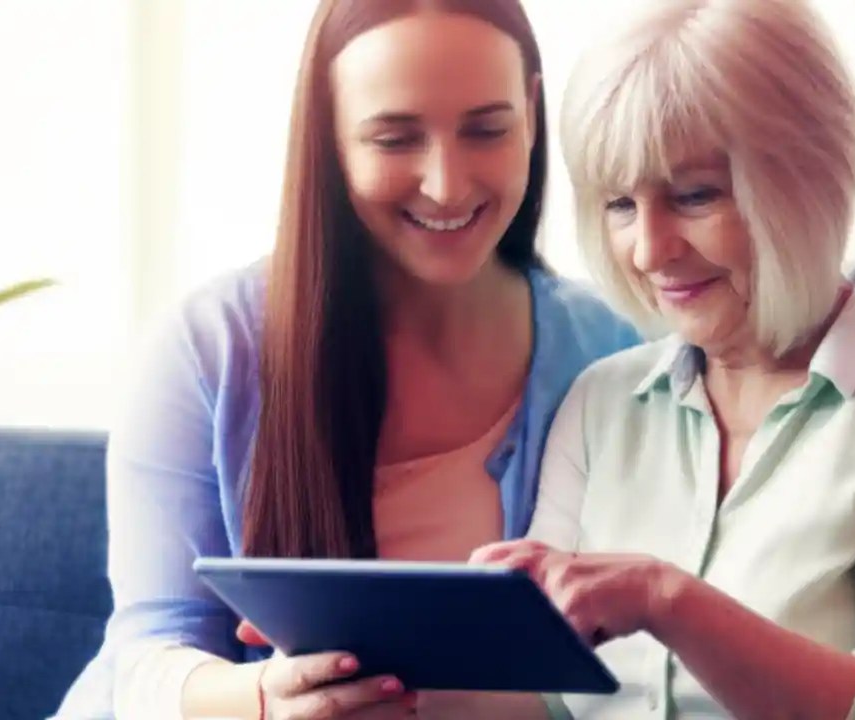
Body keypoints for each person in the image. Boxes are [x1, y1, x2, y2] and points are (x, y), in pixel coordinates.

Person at [54, 0, 639, 717]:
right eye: (395, 140)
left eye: (487, 130)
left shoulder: (616, 351)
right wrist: (265, 700)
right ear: (328, 138)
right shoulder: (208, 348)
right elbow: (142, 662)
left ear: (533, 114)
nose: (447, 183)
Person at [472, 0, 855, 717]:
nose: (649, 251)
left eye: (693, 196)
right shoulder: (602, 403)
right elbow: (543, 699)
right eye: (621, 203)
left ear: (809, 178)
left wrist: (668, 600)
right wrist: (356, 689)